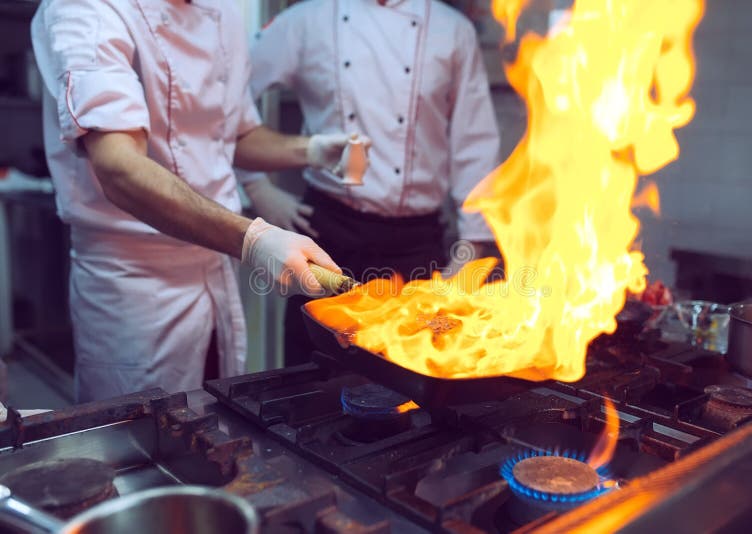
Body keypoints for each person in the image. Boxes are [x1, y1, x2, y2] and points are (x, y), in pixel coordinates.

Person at [31, 0, 349, 402]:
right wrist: (253, 239)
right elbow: (119, 168)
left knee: (215, 421)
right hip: (135, 283)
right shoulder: (87, 8)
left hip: (215, 268)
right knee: (140, 438)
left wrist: (311, 149)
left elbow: (232, 135)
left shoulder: (222, 12)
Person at [246, 0, 502, 366]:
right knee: (312, 385)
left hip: (417, 247)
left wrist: (473, 248)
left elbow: (474, 145)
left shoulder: (453, 31)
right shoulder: (307, 19)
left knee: (413, 386)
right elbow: (228, 98)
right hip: (328, 241)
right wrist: (256, 187)